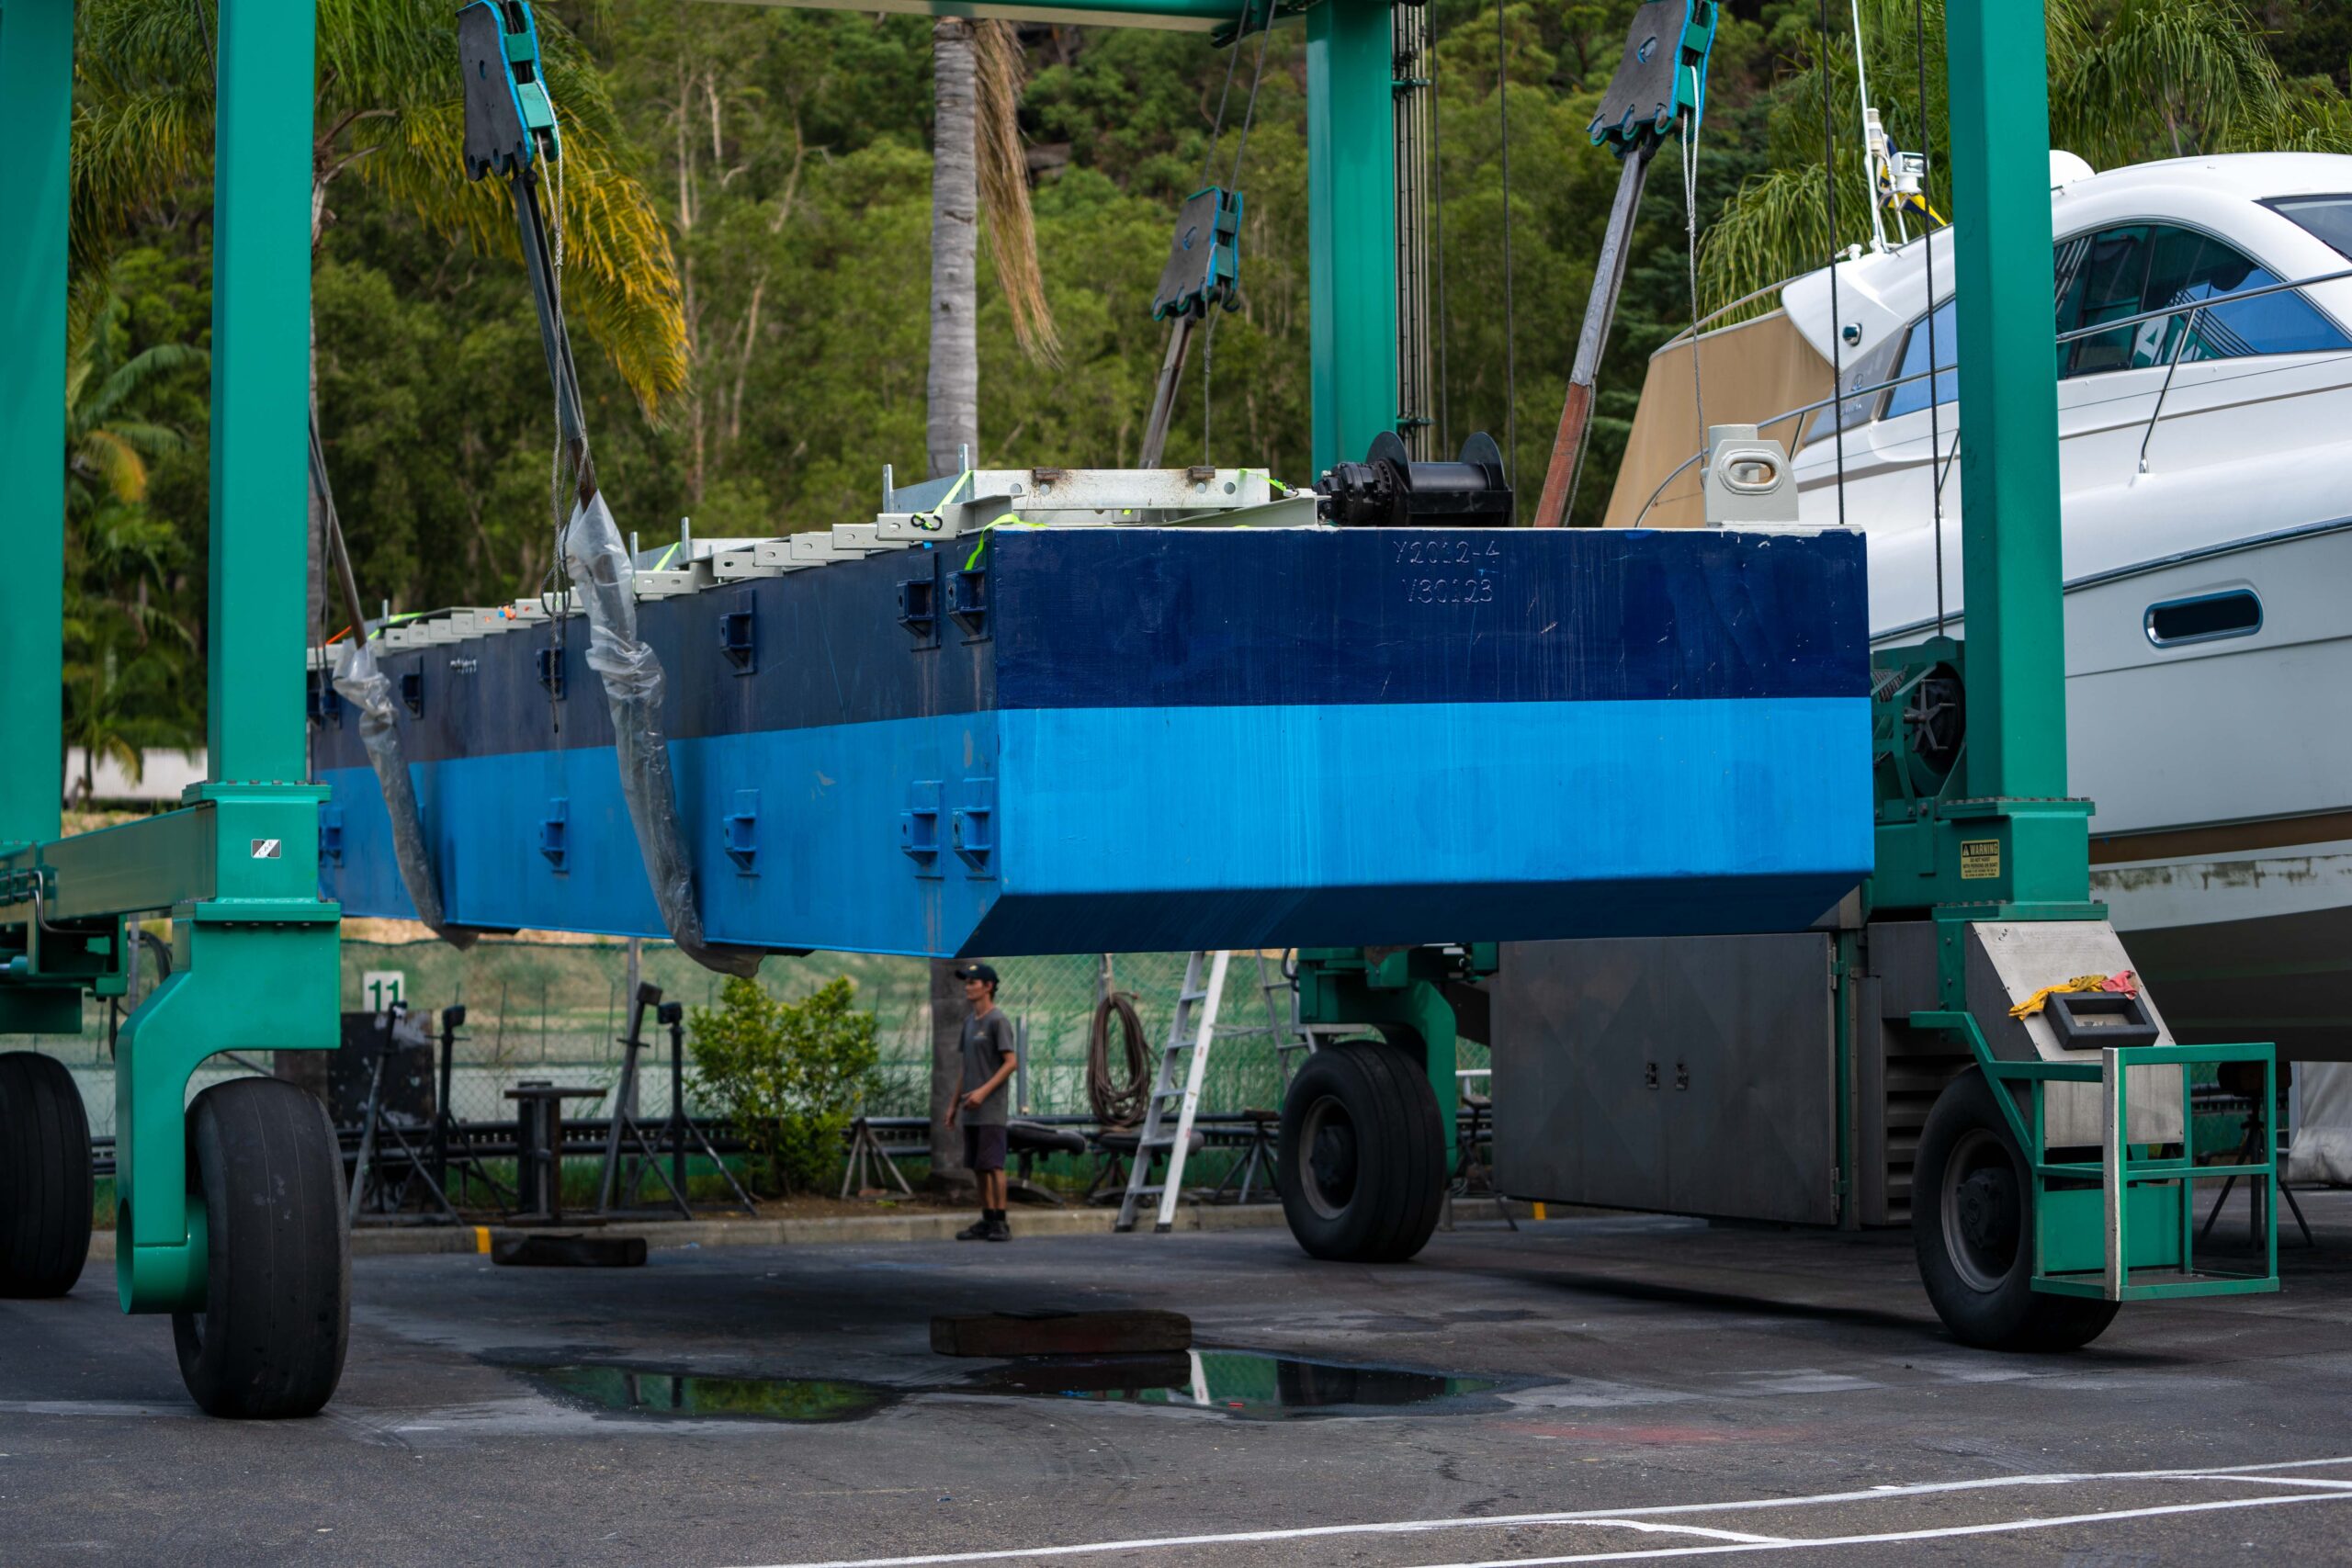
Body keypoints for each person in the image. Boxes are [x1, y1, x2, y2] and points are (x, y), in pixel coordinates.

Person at [946, 962, 1018, 1241]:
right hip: (970, 1107)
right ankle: (987, 1218)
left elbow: (1011, 1063)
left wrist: (983, 1092)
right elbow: (966, 1067)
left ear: (988, 987)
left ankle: (1001, 1221)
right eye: (966, 983)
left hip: (991, 1107)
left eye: (973, 982)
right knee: (978, 1165)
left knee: (993, 1164)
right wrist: (953, 1105)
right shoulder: (968, 1023)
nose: (968, 987)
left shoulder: (998, 1021)